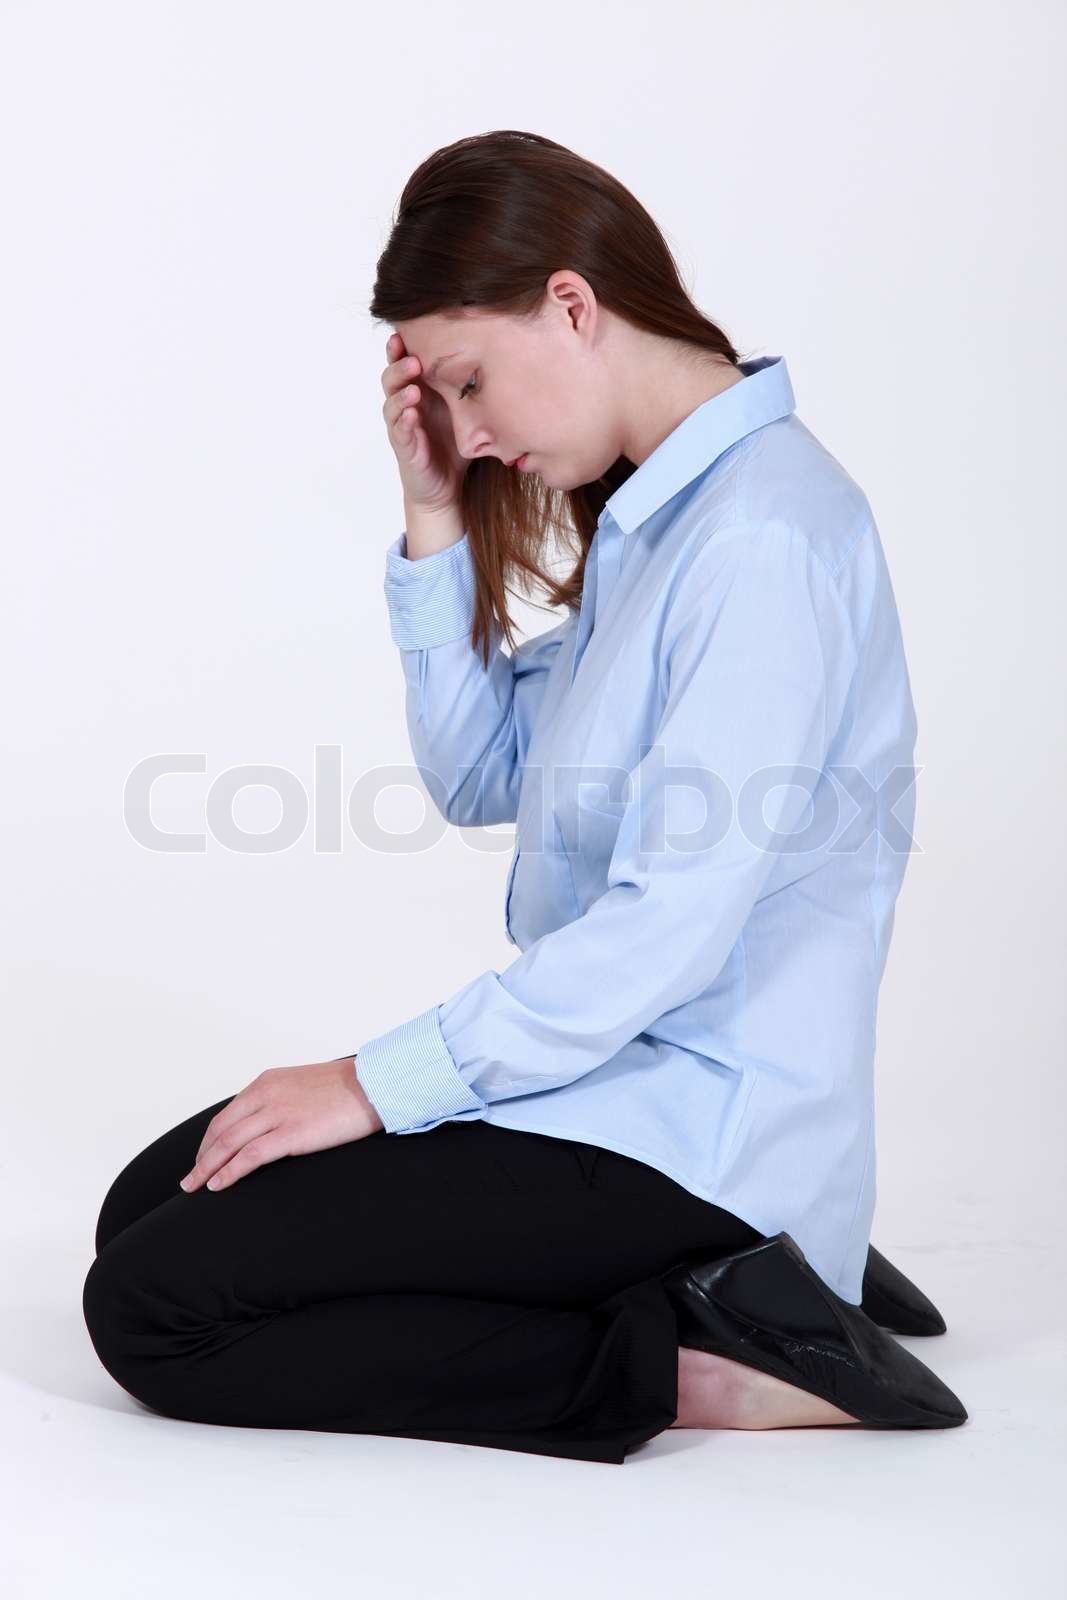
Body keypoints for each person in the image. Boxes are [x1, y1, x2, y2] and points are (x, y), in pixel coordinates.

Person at [82, 129, 967, 1465]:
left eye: (474, 382)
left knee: (156, 1309)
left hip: (707, 1127)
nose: (475, 429)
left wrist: (376, 1085)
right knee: (151, 1207)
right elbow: (485, 773)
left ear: (571, 302)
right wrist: (434, 513)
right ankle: (721, 1277)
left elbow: (669, 926)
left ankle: (697, 1350)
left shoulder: (761, 540)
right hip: (616, 1078)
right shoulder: (662, 522)